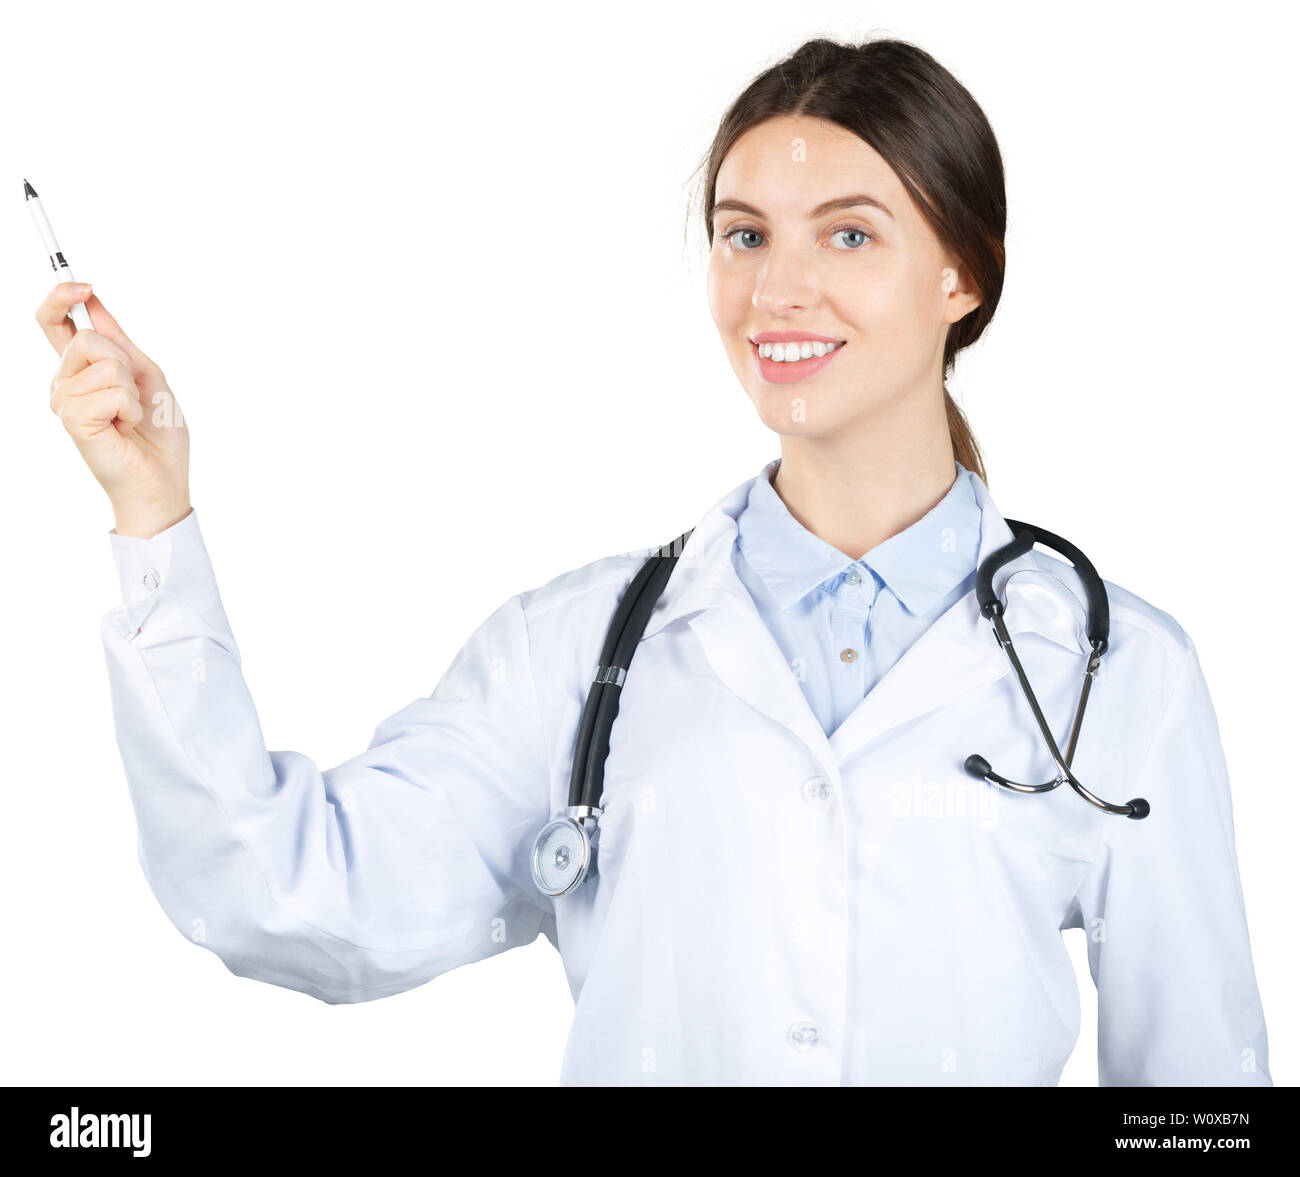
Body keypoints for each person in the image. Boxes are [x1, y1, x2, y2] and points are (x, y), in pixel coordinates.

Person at [37, 36, 1270, 1086]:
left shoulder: (1117, 670)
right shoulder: (575, 651)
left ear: (962, 272)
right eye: (744, 236)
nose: (776, 289)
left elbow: (1200, 1096)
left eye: (848, 234)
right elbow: (284, 893)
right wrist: (155, 515)